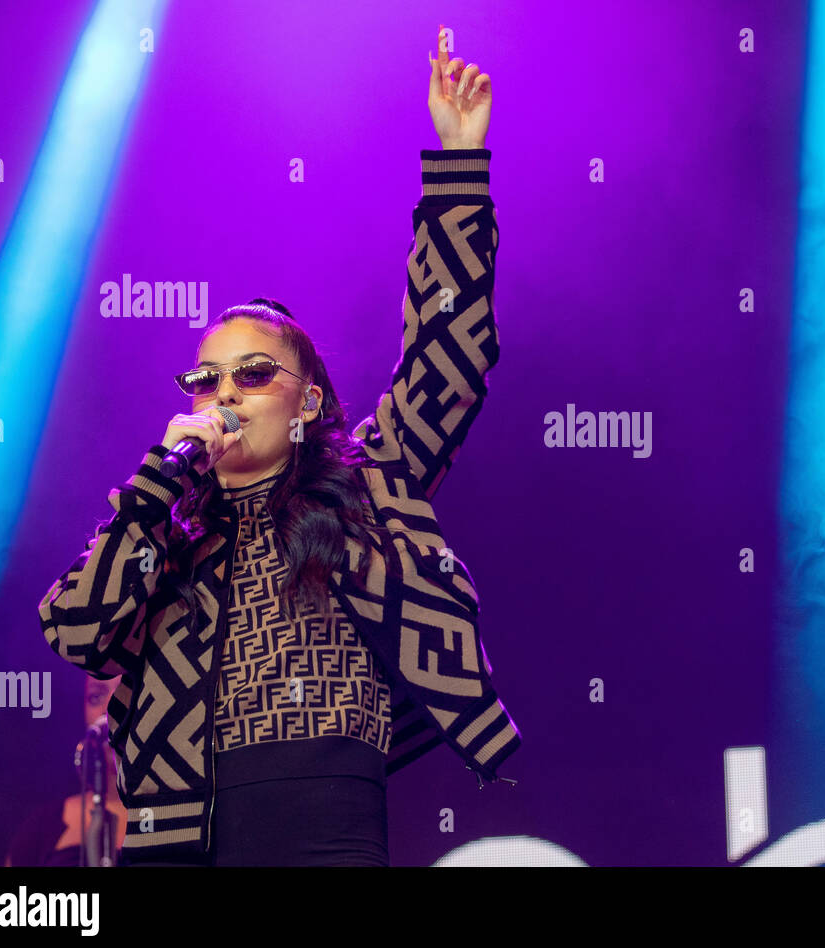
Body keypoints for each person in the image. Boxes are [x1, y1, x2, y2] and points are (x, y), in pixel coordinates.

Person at [38, 28, 520, 866]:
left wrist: (457, 168)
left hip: (329, 835)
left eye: (254, 373)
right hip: (178, 848)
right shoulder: (168, 522)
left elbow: (453, 352)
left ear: (310, 401)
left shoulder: (370, 481)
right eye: (204, 379)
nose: (222, 393)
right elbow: (77, 628)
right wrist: (155, 484)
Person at [5, 675, 128, 866]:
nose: (108, 708)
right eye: (96, 697)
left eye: (126, 693)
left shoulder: (175, 815)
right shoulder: (44, 825)